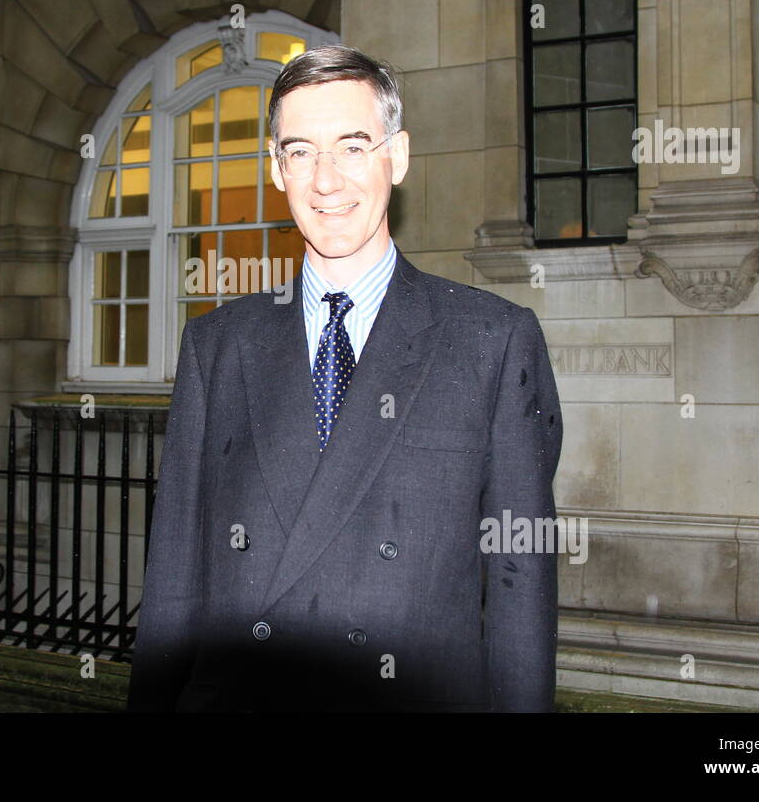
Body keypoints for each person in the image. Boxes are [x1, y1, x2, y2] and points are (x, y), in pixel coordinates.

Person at [127, 44, 563, 712]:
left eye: (353, 146)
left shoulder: (492, 341)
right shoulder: (217, 344)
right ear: (276, 168)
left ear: (399, 155)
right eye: (300, 151)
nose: (326, 180)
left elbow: (517, 585)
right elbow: (174, 582)